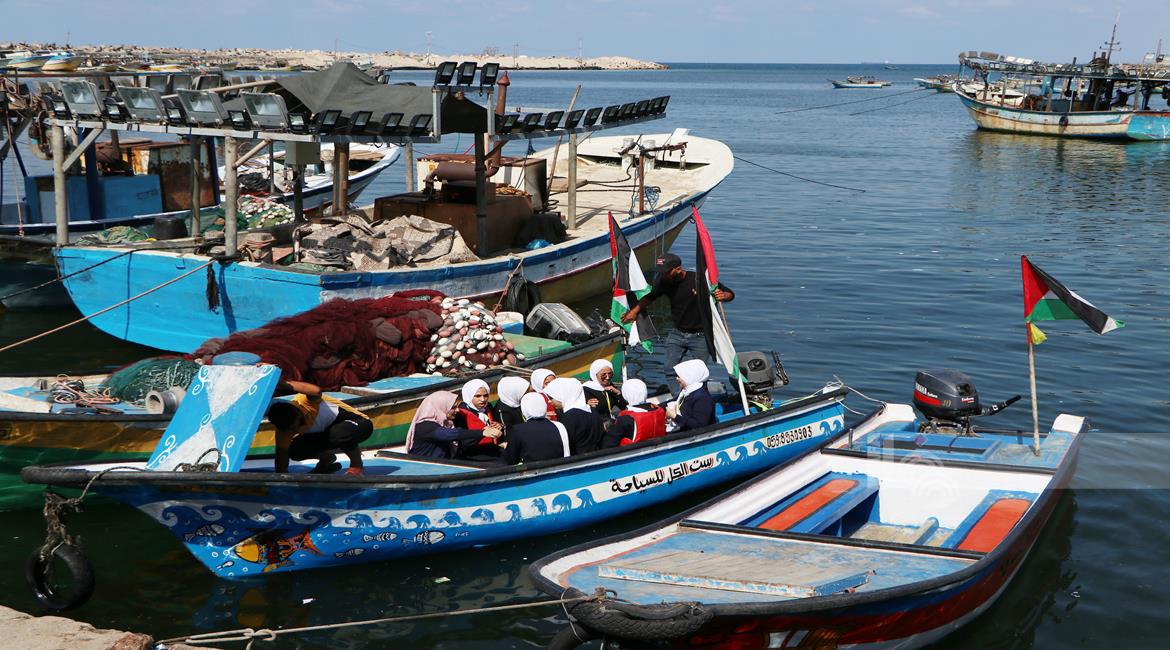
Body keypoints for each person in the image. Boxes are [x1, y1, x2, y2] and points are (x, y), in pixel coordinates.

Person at [620, 253, 734, 374]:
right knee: (669, 369)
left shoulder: (699, 280)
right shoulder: (664, 281)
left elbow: (729, 293)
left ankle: (697, 392)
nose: (662, 274)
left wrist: (724, 295)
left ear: (678, 270)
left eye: (665, 271)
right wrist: (634, 311)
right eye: (660, 271)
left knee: (699, 372)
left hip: (700, 336)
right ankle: (677, 393)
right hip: (677, 333)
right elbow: (650, 297)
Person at [267, 379, 373, 476]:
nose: (295, 431)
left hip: (360, 424)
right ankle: (326, 461)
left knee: (337, 433)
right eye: (291, 430)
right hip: (328, 432)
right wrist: (281, 478)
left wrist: (280, 383)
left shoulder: (305, 401)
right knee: (294, 450)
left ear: (297, 414)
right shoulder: (283, 430)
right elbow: (282, 455)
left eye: (295, 426)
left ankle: (356, 465)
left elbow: (316, 390)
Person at [406, 391, 502, 459]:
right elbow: (449, 435)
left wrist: (484, 430)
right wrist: (482, 432)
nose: (457, 410)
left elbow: (463, 443)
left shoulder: (447, 423)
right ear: (441, 406)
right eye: (453, 407)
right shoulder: (425, 426)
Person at [502, 393, 571, 465]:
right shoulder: (559, 425)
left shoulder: (517, 430)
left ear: (524, 409)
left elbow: (511, 460)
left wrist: (507, 448)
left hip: (535, 472)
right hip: (561, 469)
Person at [544, 377, 604, 454]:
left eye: (551, 397)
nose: (549, 401)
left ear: (563, 394)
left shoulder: (570, 417)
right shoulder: (592, 411)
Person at [604, 378, 667, 448]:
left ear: (625, 396)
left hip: (633, 453)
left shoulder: (625, 420)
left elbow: (608, 444)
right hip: (657, 448)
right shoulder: (659, 410)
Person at [453, 378, 504, 457]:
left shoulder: (488, 407)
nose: (483, 399)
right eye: (478, 396)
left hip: (491, 448)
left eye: (486, 395)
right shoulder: (460, 414)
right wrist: (482, 433)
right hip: (472, 454)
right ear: (469, 395)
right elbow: (464, 442)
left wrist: (499, 425)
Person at [667, 359, 716, 433]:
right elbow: (673, 401)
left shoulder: (702, 398)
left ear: (689, 376)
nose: (677, 378)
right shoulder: (687, 391)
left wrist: (675, 416)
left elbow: (699, 425)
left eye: (679, 376)